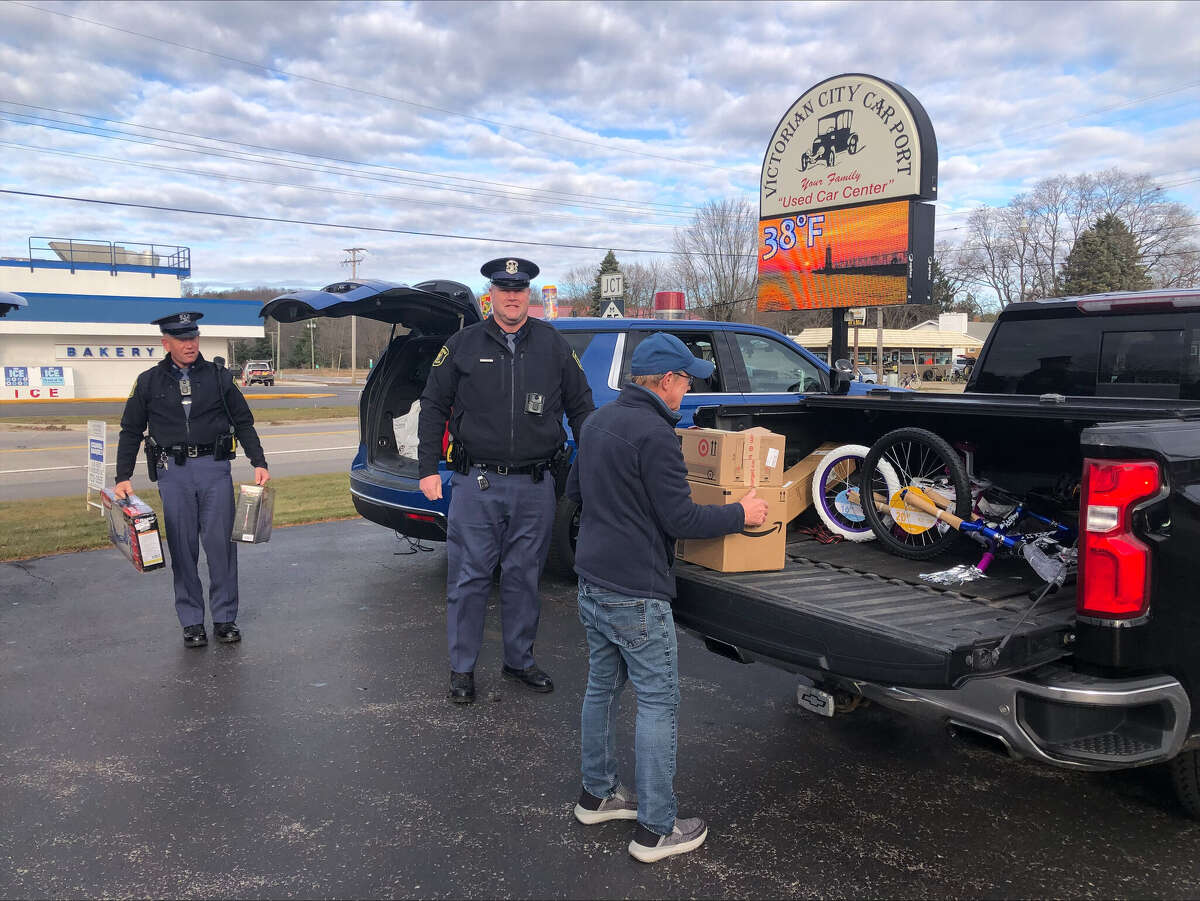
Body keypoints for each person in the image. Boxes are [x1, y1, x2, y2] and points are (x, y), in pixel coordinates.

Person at [566, 332, 769, 864]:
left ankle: (597, 796)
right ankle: (657, 830)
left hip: (592, 581)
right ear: (668, 381)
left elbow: (576, 494)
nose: (688, 391)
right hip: (637, 593)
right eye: (686, 381)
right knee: (658, 702)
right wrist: (741, 514)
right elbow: (680, 519)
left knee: (602, 689)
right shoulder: (656, 435)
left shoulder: (597, 421)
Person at [417, 257, 594, 705]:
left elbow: (582, 408)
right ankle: (462, 669)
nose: (512, 297)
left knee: (524, 577)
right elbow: (433, 404)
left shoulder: (553, 345)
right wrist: (427, 468)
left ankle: (519, 660)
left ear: (528, 295)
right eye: (504, 289)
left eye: (519, 290)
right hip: (476, 484)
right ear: (491, 295)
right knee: (470, 577)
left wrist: (595, 465)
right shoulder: (462, 345)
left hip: (535, 485)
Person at [114, 312, 270, 648]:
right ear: (166, 343)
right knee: (182, 548)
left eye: (194, 337)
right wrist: (122, 475)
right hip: (173, 472)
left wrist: (258, 461)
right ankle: (192, 622)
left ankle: (225, 618)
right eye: (182, 339)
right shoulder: (148, 382)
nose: (190, 344)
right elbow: (130, 430)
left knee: (220, 547)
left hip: (214, 468)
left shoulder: (218, 377)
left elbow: (243, 421)